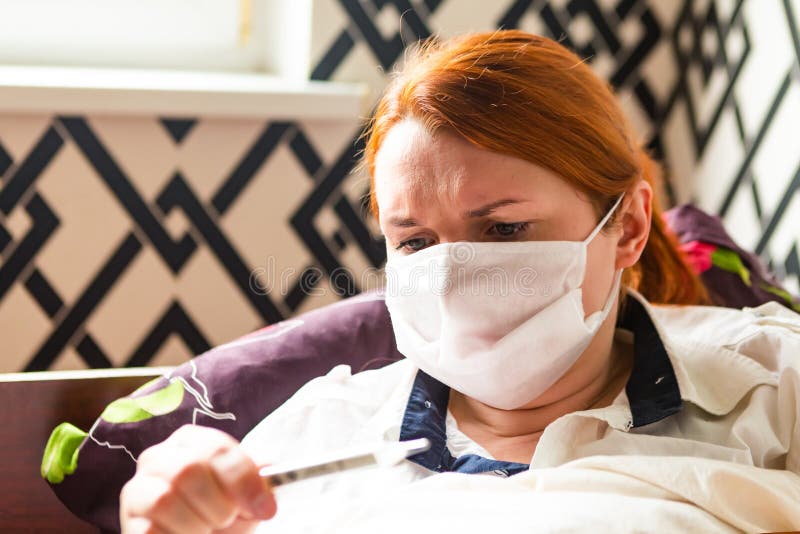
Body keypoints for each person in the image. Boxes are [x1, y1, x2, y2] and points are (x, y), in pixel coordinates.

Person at [119, 30, 800, 533]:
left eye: (504, 230)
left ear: (627, 229)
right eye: (414, 242)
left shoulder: (772, 394)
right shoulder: (314, 437)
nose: (450, 277)